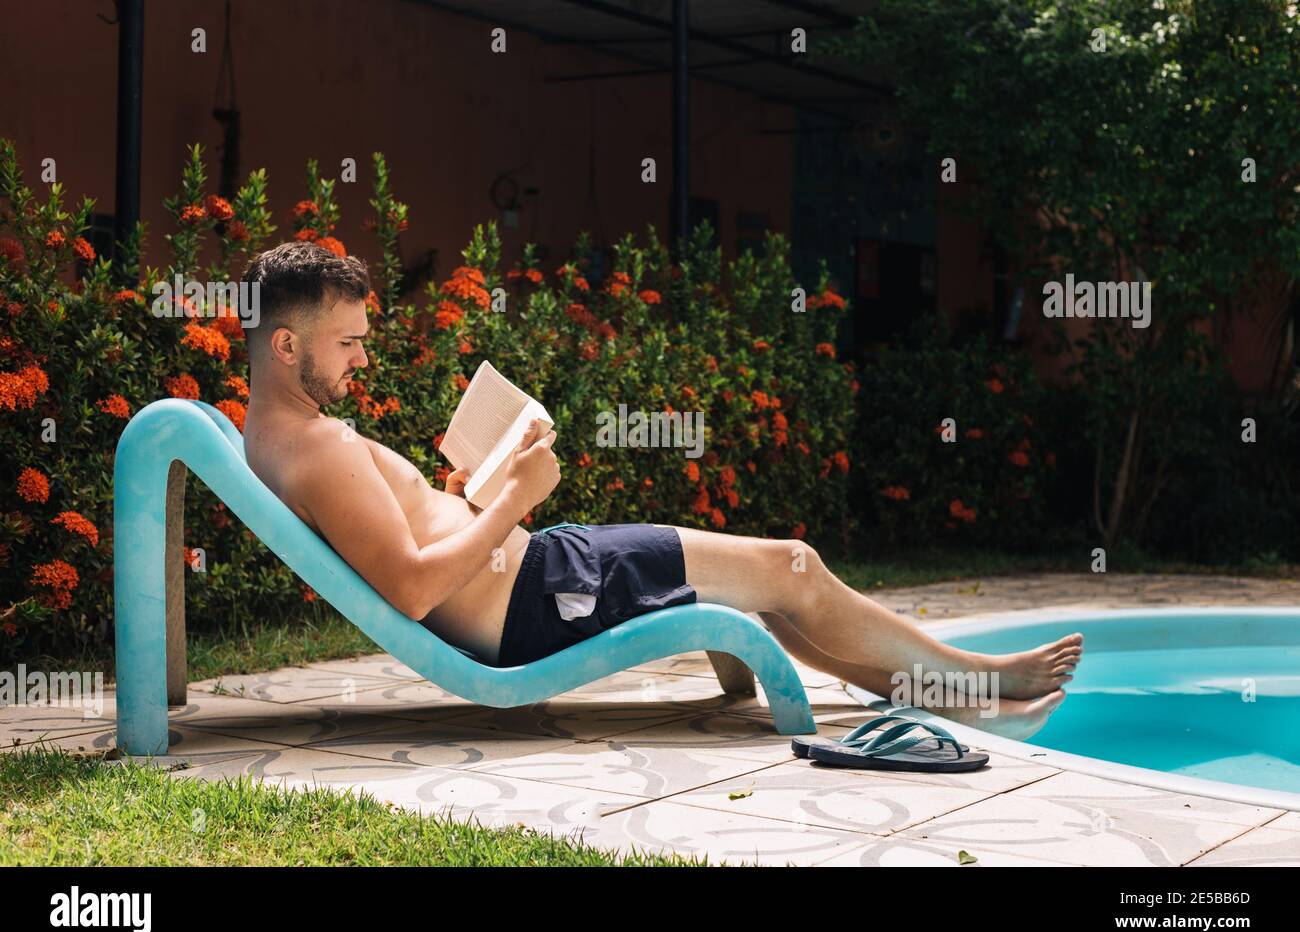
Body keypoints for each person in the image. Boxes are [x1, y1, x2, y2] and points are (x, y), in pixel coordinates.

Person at [241, 242, 1081, 739]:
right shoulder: (318, 449)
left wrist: (471, 491)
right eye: (347, 343)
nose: (362, 360)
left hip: (545, 578)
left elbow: (409, 550)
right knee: (791, 567)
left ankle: (944, 687)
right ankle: (979, 674)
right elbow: (416, 588)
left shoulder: (279, 438)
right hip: (545, 596)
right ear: (286, 346)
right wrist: (515, 498)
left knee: (769, 591)